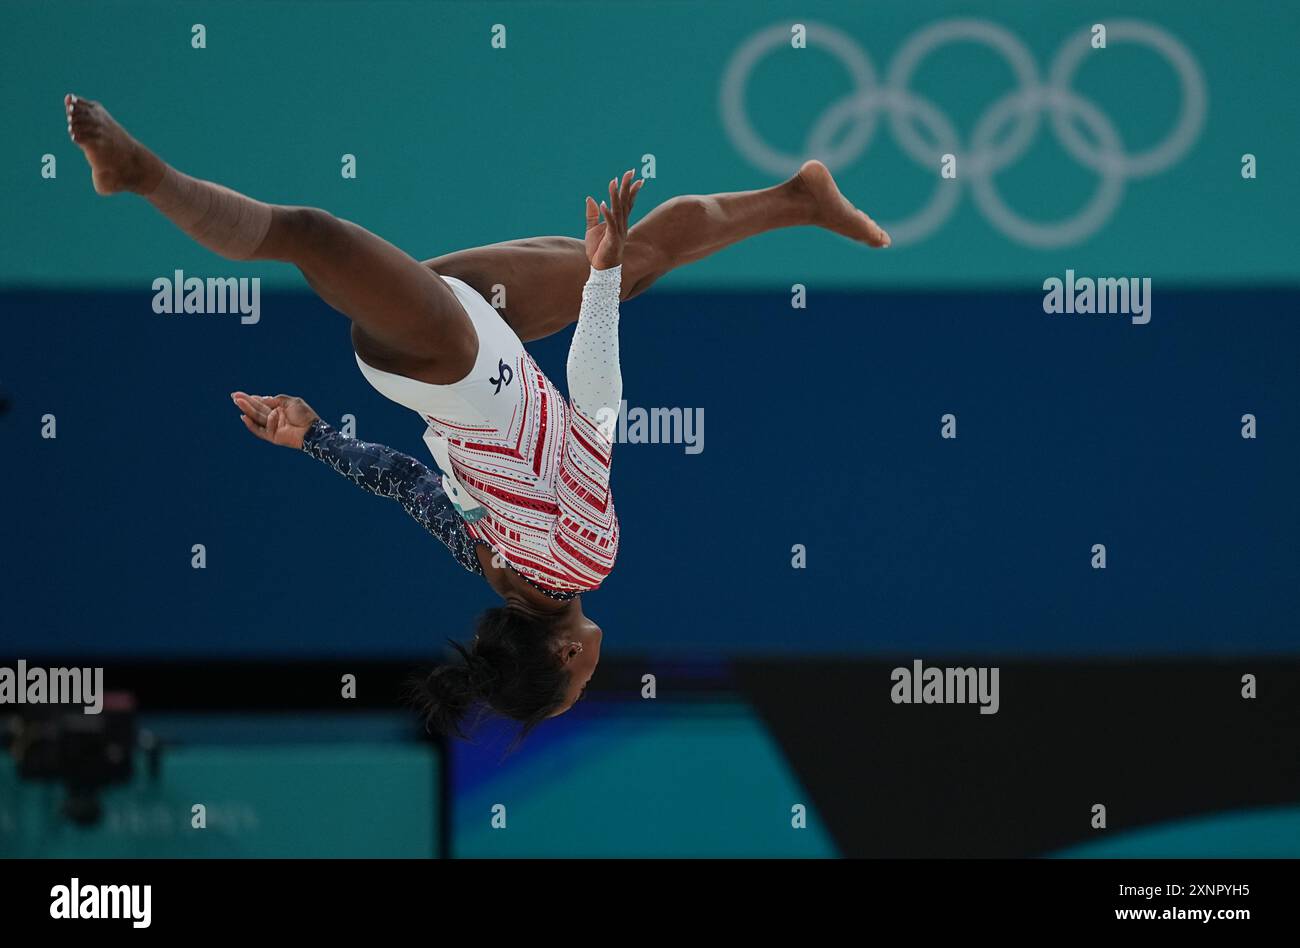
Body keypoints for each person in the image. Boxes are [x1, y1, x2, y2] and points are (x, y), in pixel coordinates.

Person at [65, 93, 889, 740]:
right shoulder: (494, 568)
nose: (592, 671)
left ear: (566, 653)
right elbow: (408, 485)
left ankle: (140, 174)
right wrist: (312, 436)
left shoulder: (583, 559)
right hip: (458, 346)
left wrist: (596, 287)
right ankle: (800, 198)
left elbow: (598, 407)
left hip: (454, 354)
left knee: (312, 233)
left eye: (581, 684)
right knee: (641, 260)